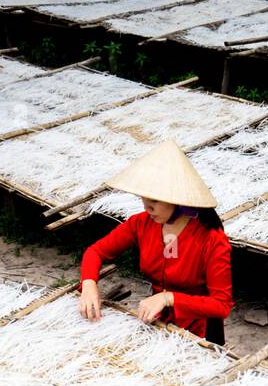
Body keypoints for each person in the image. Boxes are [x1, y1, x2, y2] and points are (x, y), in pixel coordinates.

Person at [78, 139, 232, 343]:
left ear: (177, 199)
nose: (147, 208)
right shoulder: (141, 224)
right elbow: (95, 252)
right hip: (158, 322)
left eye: (155, 201)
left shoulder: (211, 239)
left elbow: (221, 305)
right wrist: (89, 284)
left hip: (200, 331)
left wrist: (168, 298)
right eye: (144, 199)